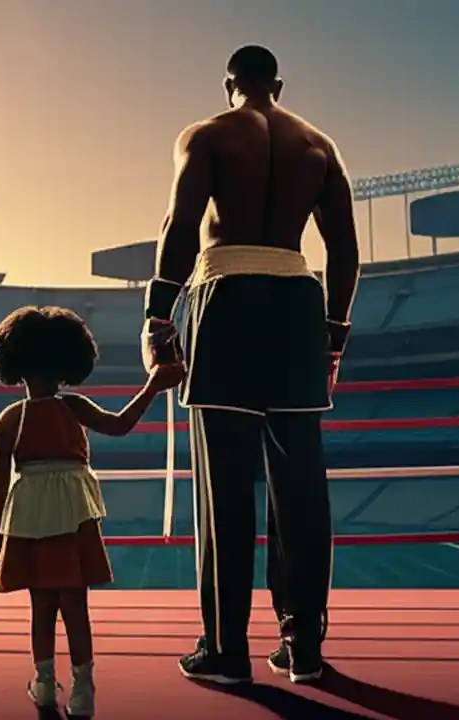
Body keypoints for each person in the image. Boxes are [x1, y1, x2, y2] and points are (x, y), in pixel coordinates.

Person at [141, 45, 361, 685]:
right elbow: (345, 250)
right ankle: (304, 646)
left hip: (228, 296)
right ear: (279, 86)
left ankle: (226, 649)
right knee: (302, 487)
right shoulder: (319, 144)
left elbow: (181, 224)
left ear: (229, 83)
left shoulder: (207, 134)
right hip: (298, 302)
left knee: (225, 487)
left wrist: (159, 319)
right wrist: (334, 339)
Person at [0, 305, 184, 717]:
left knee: (41, 606)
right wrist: (152, 387)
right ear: (67, 365)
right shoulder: (72, 406)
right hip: (74, 512)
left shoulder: (9, 419)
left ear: (15, 366)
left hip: (28, 517)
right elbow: (119, 425)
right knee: (75, 605)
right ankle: (83, 687)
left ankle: (42, 683)